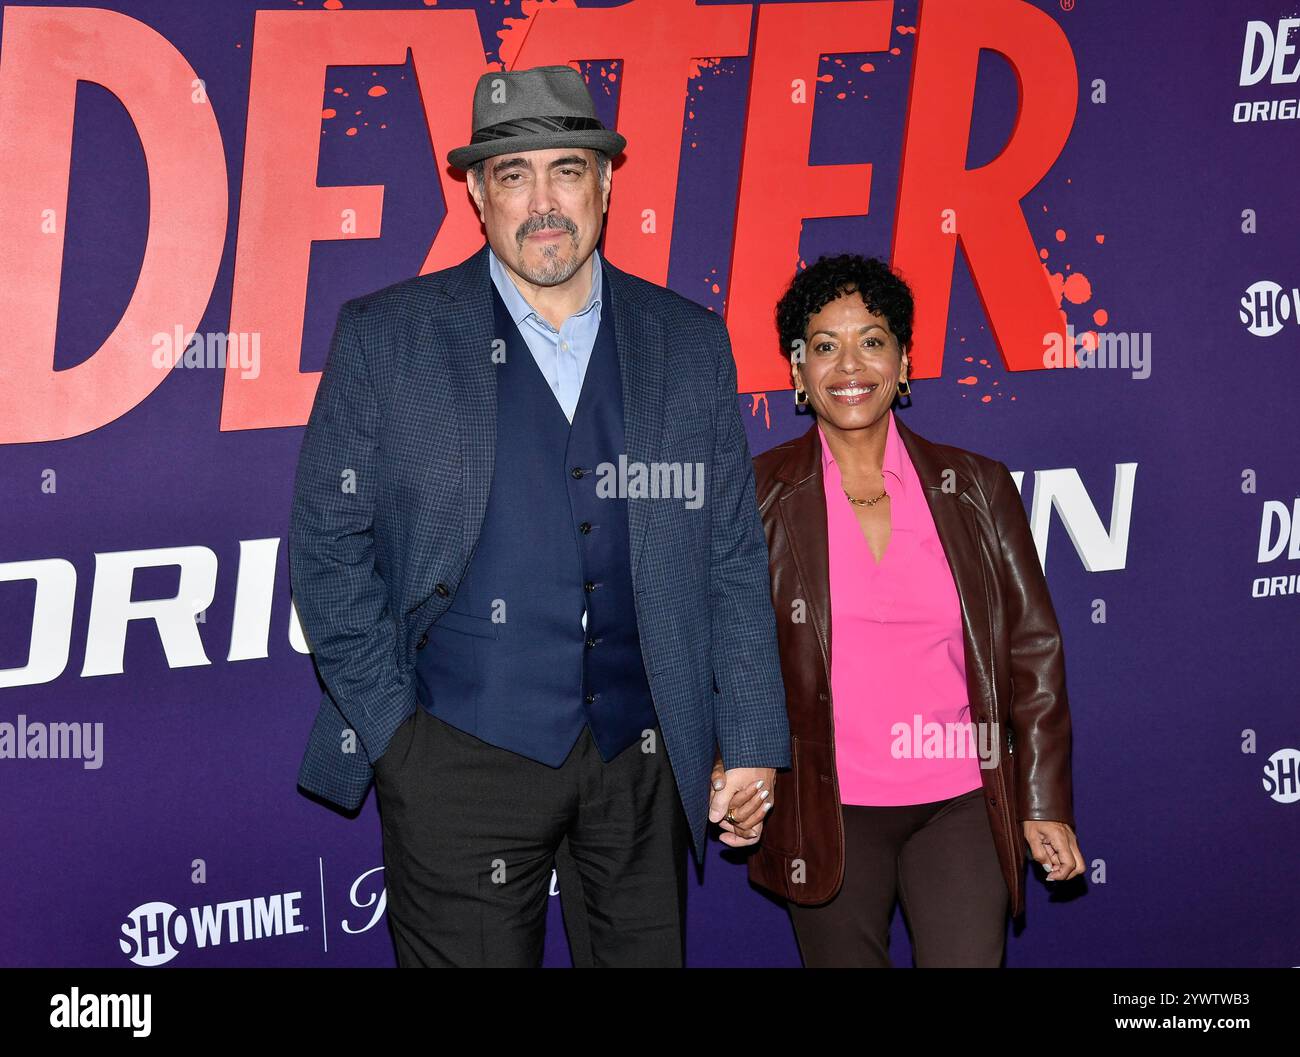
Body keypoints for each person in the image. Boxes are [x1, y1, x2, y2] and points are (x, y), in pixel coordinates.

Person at [288, 65, 789, 967]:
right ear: (478, 193)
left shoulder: (687, 338)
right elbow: (328, 546)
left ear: (606, 182)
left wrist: (749, 735)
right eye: (514, 175)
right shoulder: (388, 336)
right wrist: (401, 736)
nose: (544, 201)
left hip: (641, 755)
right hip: (458, 755)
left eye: (567, 169)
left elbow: (727, 556)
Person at [718, 253, 1082, 967]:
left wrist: (1042, 798)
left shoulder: (976, 486)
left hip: (961, 801)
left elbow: (1032, 652)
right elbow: (726, 649)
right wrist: (736, 761)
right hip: (826, 809)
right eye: (824, 345)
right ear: (796, 371)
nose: (849, 364)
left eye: (872, 340)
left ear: (904, 360)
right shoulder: (755, 494)